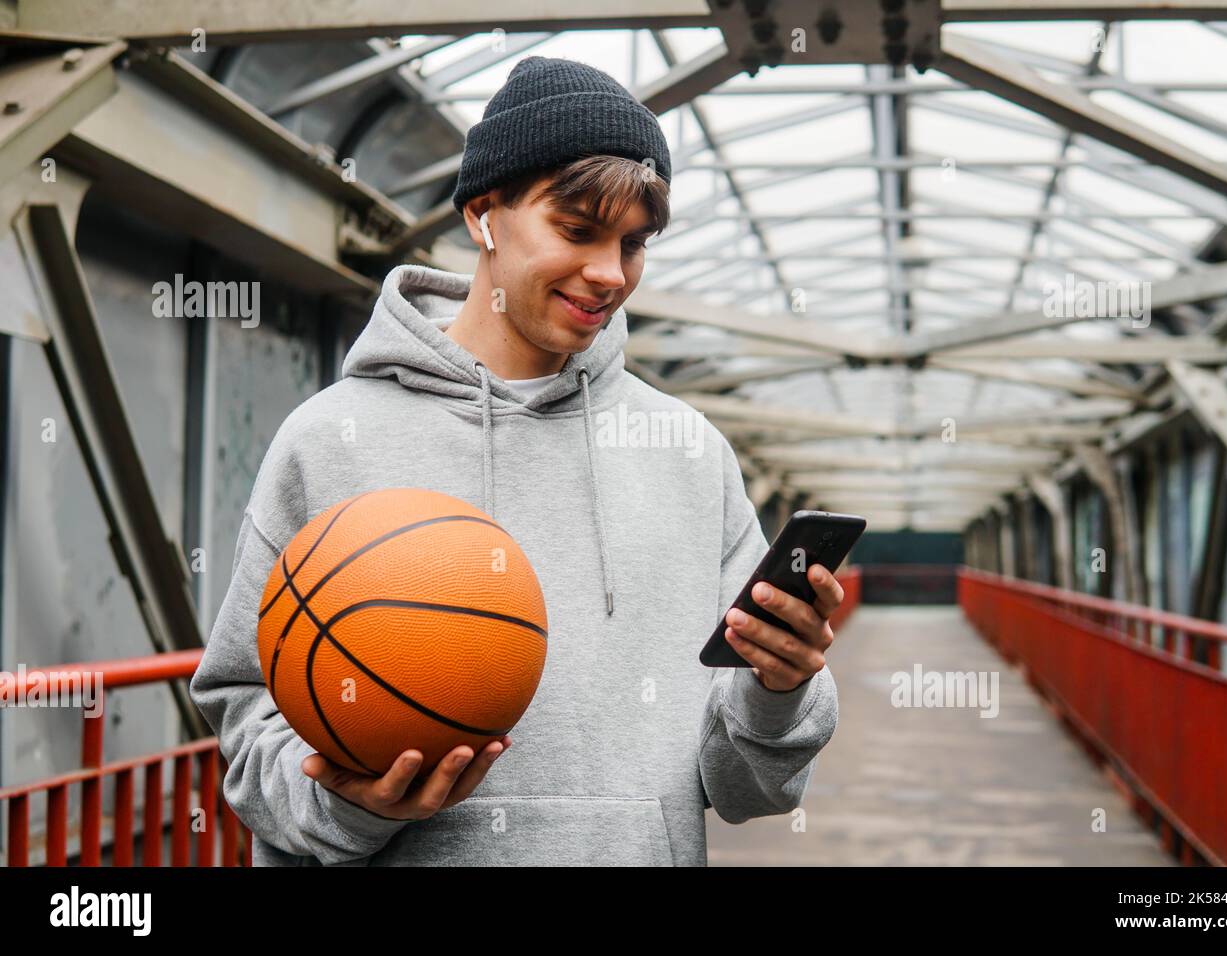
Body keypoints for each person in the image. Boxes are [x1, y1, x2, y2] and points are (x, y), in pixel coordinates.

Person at [190, 55, 841, 866]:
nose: (610, 274)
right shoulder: (330, 439)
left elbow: (746, 791)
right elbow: (247, 717)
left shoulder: (689, 453)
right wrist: (341, 803)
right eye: (577, 231)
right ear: (483, 215)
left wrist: (778, 693)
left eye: (634, 244)